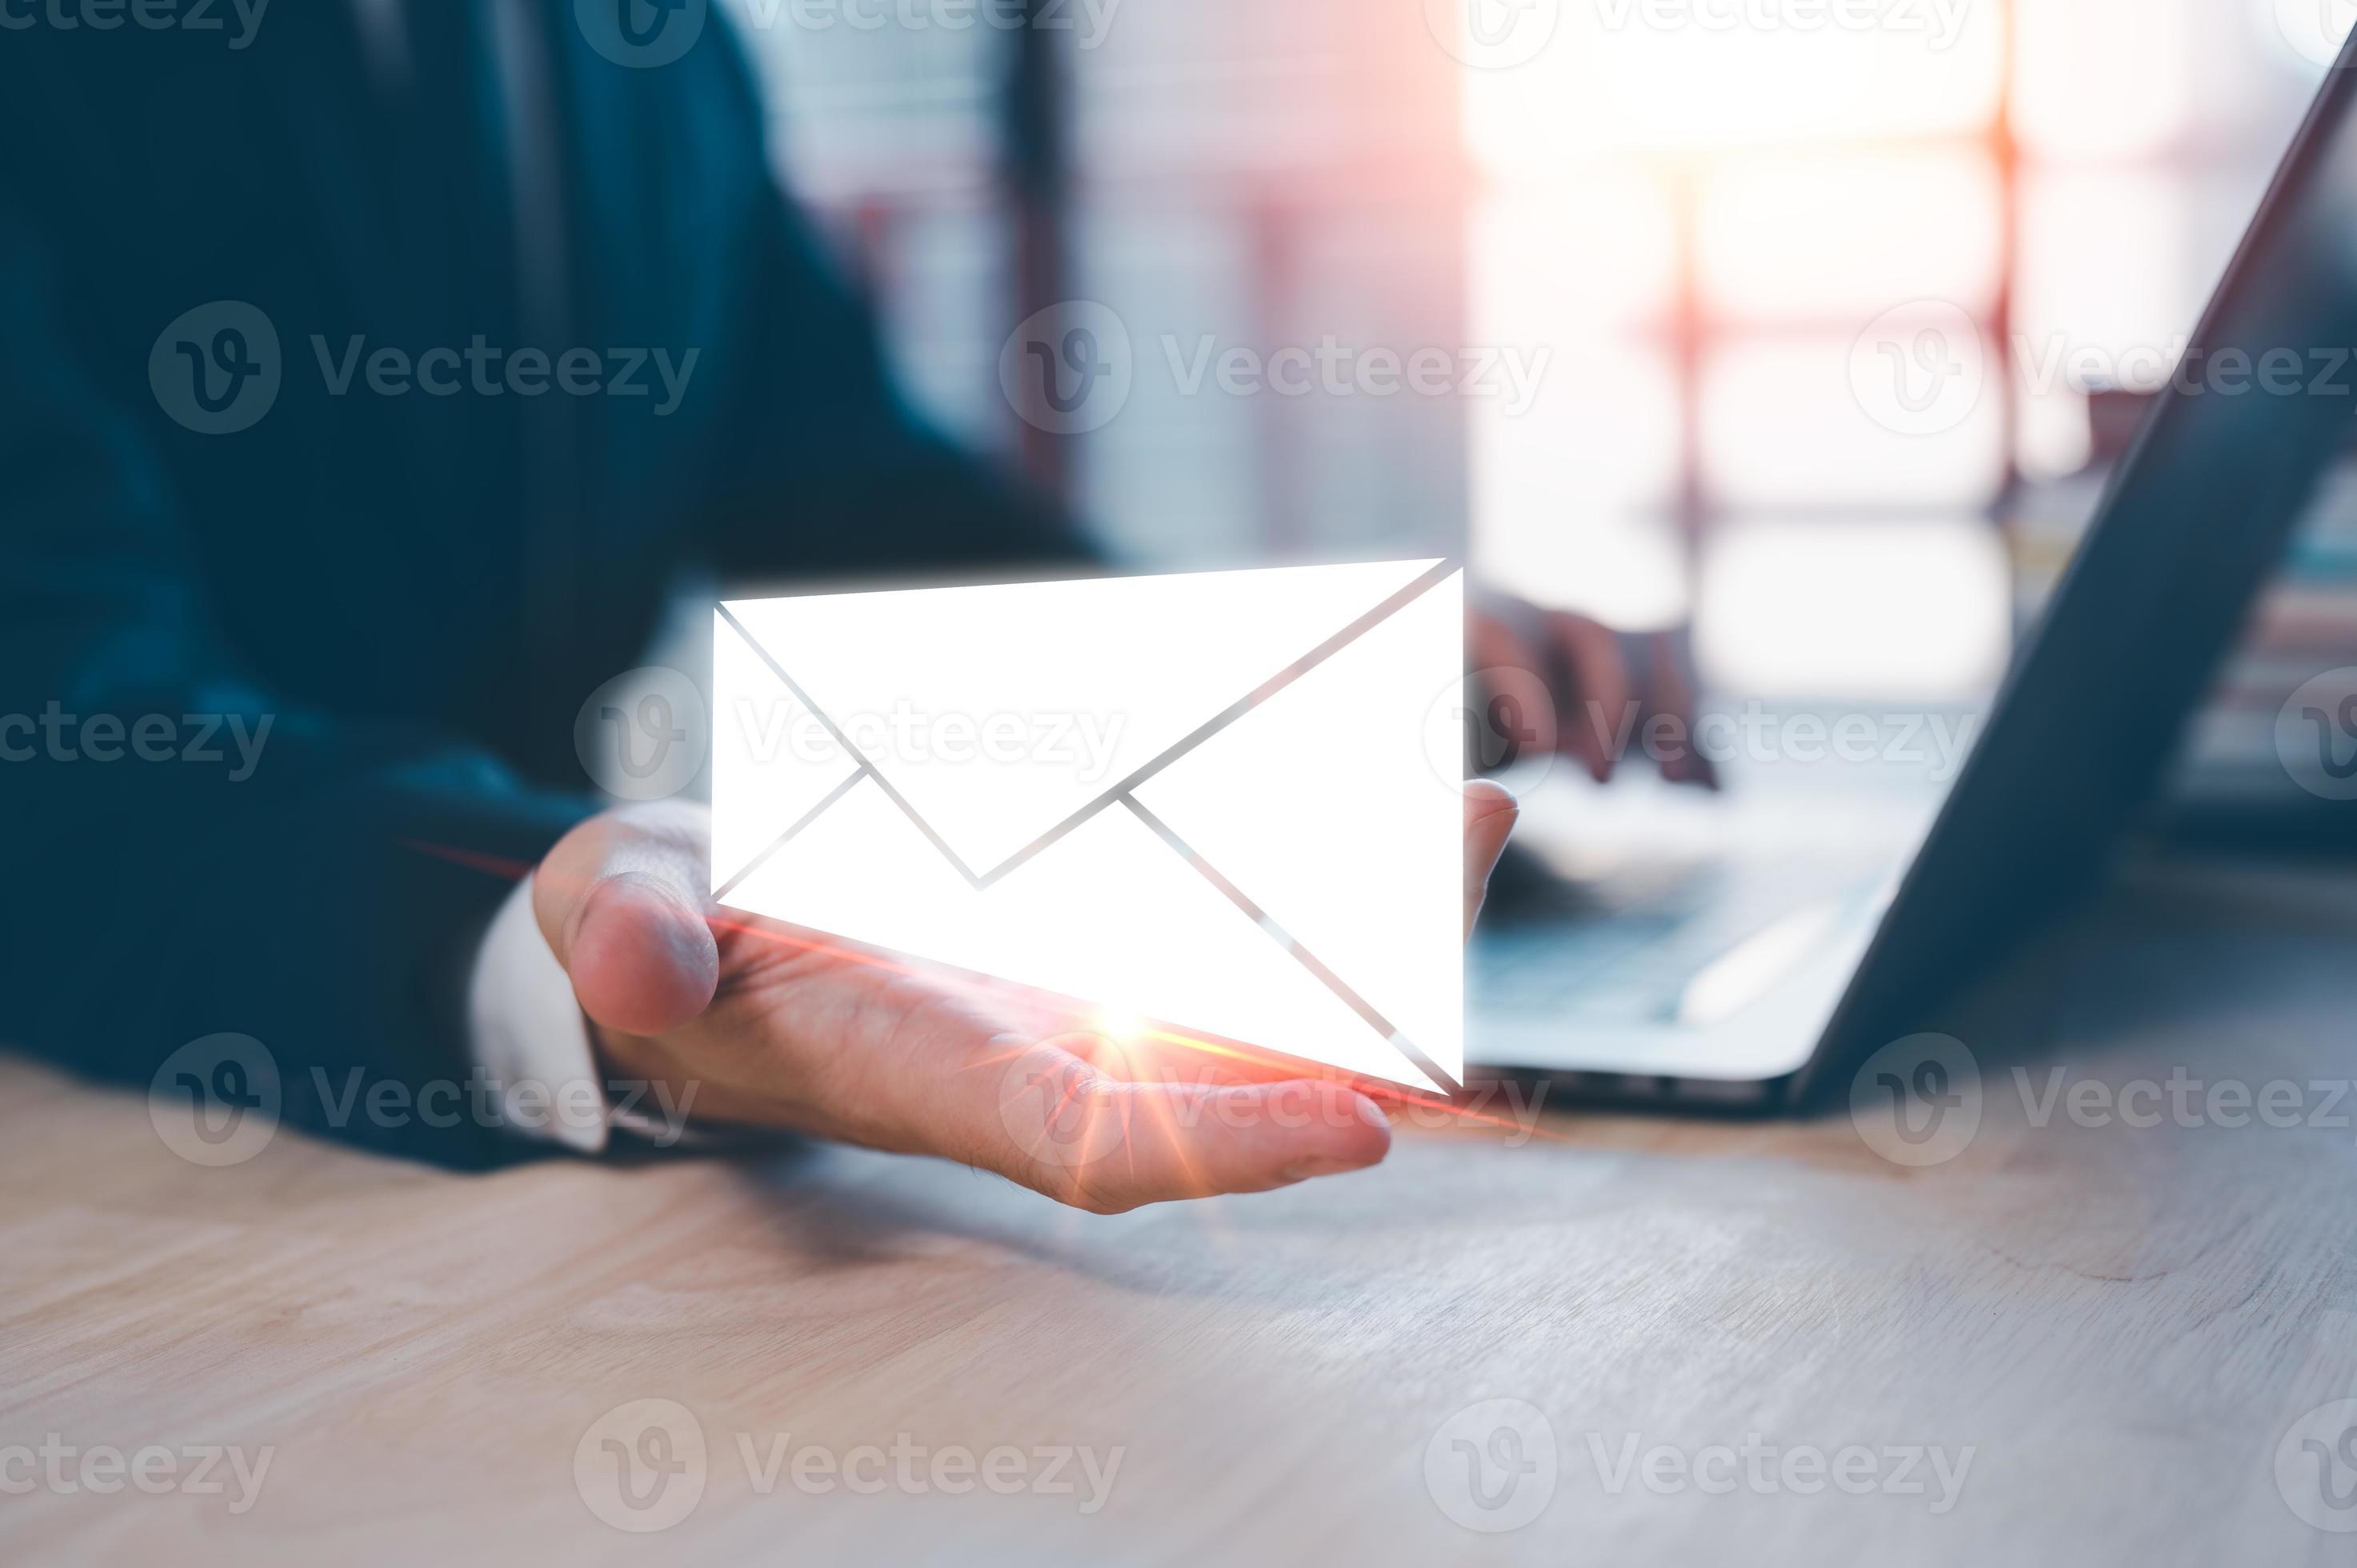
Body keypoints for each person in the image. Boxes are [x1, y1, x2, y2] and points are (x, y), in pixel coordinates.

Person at [0, 2, 1694, 1210]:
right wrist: (543, 939)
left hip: (573, 1234)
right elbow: (60, 734)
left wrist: (1275, 700)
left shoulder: (645, 48)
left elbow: (835, 481)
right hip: (149, 1168)